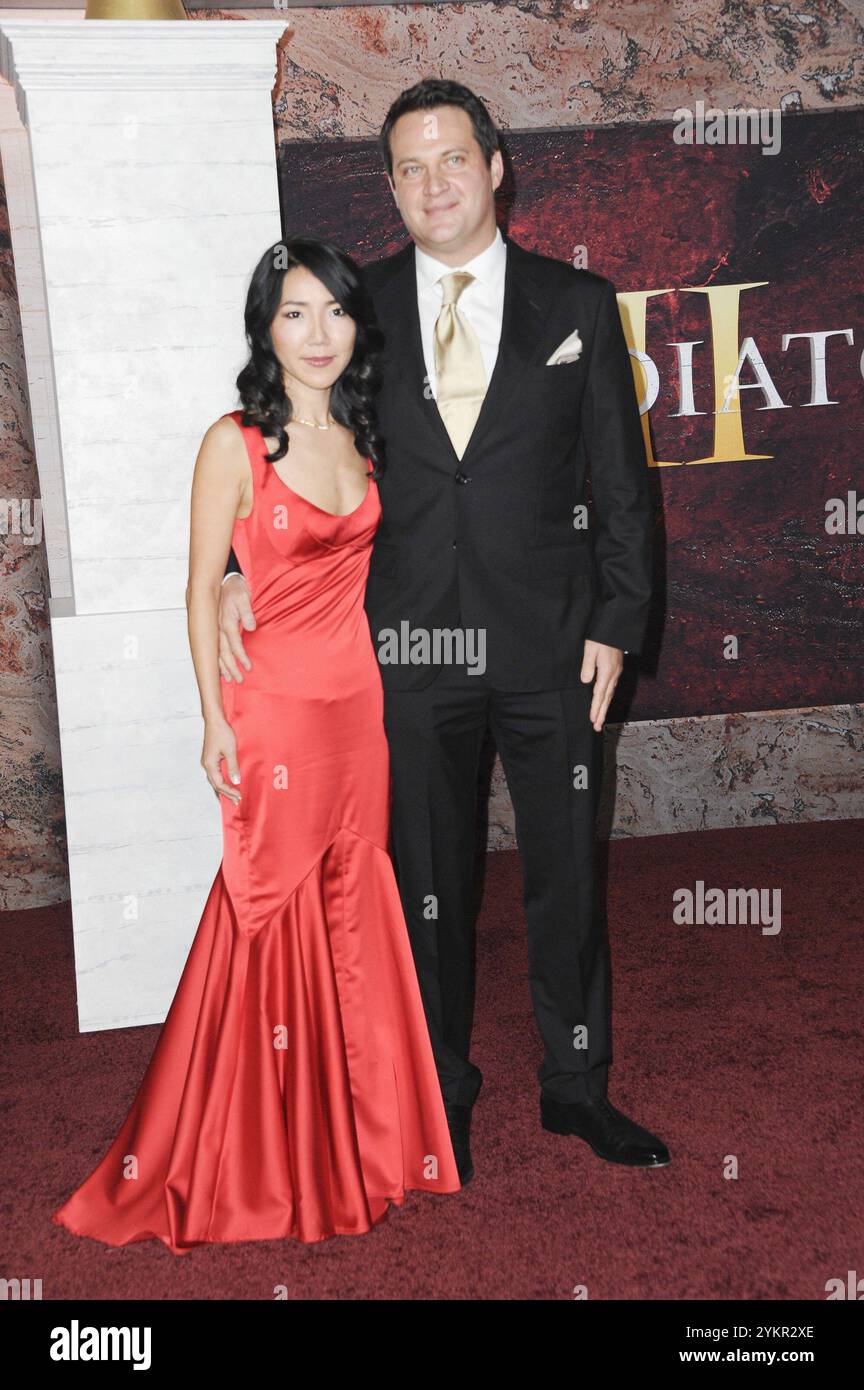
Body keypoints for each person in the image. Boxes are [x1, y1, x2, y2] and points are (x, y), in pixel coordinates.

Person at [220, 79, 670, 1182]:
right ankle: (438, 1089)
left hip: (557, 647)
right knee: (426, 882)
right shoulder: (354, 307)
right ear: (389, 186)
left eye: (452, 159)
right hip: (407, 652)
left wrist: (618, 620)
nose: (434, 184)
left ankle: (575, 1086)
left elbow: (624, 480)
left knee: (568, 872)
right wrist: (240, 563)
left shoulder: (576, 304)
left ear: (496, 165)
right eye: (410, 167)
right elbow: (285, 434)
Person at [51, 238, 461, 1255]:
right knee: (265, 910)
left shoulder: (368, 434)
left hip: (355, 707)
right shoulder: (231, 442)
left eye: (334, 312)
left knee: (355, 905)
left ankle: (365, 1144)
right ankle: (255, 1156)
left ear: (357, 328)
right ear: (263, 329)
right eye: (294, 313)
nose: (317, 334)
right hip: (271, 709)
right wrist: (211, 716)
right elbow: (200, 584)